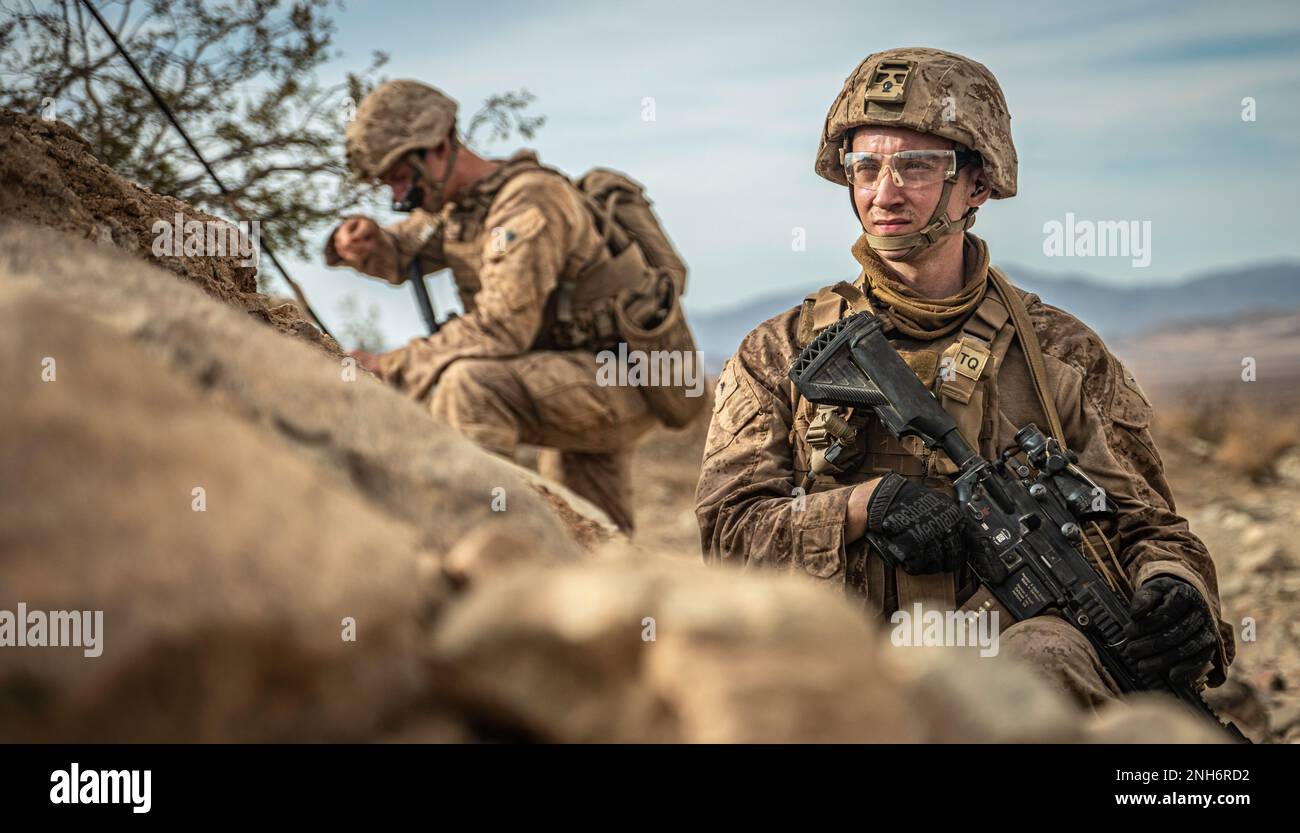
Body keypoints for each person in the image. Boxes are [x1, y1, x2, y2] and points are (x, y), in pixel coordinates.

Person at [694, 48, 1233, 709]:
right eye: (866, 167)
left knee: (1050, 657)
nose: (884, 191)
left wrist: (1177, 587)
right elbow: (726, 535)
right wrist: (863, 507)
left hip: (1007, 685)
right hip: (836, 671)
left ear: (977, 183)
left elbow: (1149, 527)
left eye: (916, 166)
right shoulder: (781, 352)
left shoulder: (1063, 355)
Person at [330, 79, 697, 532]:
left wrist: (391, 366)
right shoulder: (464, 207)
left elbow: (500, 330)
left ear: (439, 147)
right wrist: (365, 243)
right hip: (570, 376)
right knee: (597, 536)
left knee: (469, 384)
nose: (398, 196)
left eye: (403, 178)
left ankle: (488, 548)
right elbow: (407, 249)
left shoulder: (527, 203)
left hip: (617, 379)